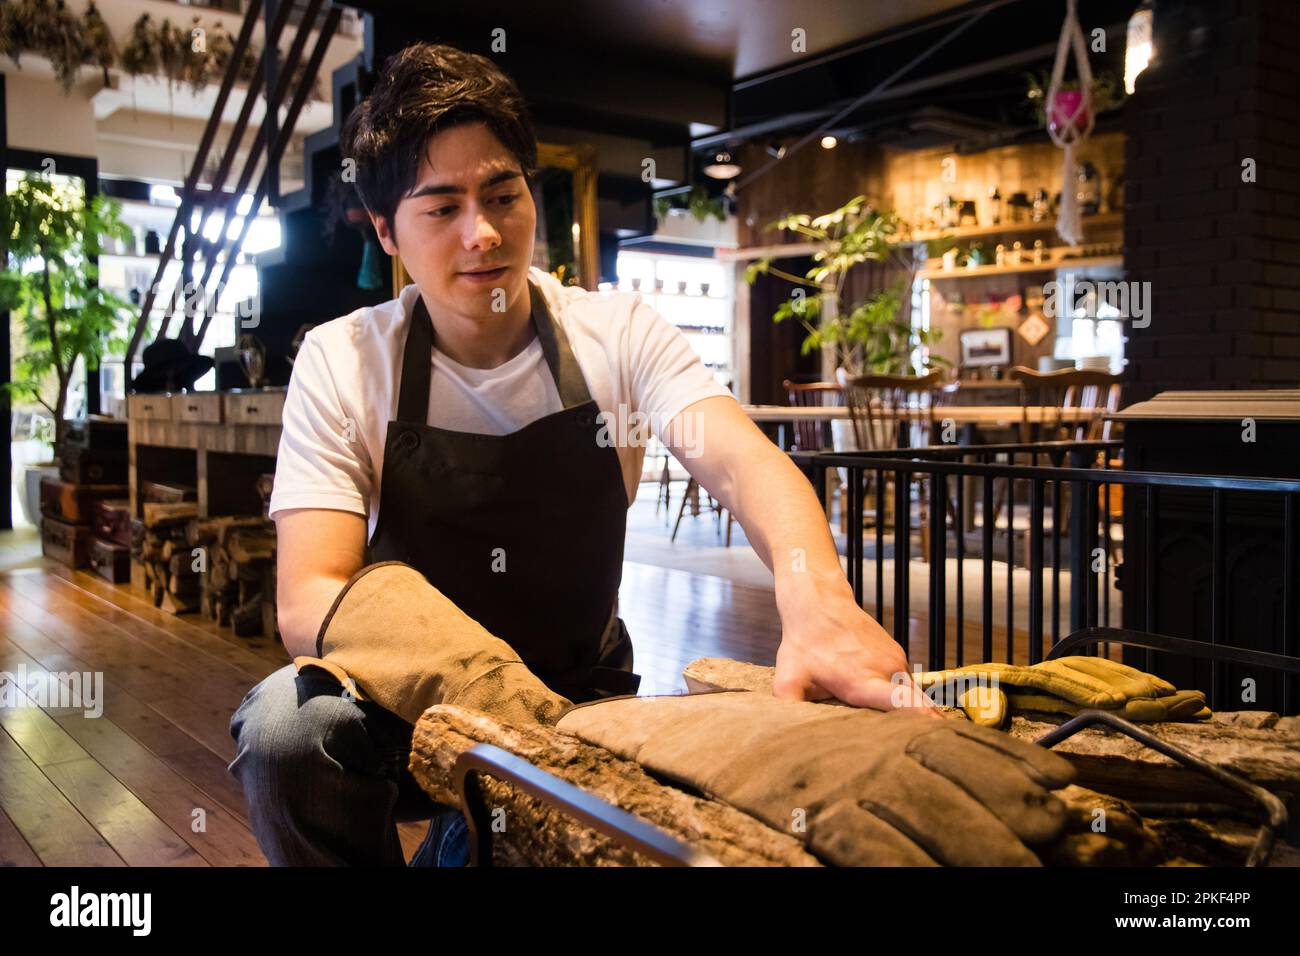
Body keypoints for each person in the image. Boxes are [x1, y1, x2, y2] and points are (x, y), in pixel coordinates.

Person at [228, 41, 936, 867]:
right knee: (287, 730)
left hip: (578, 695)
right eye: (442, 207)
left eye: (502, 193)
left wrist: (820, 603)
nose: (482, 233)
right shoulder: (346, 358)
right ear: (386, 230)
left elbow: (744, 460)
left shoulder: (617, 335)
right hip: (401, 703)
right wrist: (487, 699)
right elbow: (310, 592)